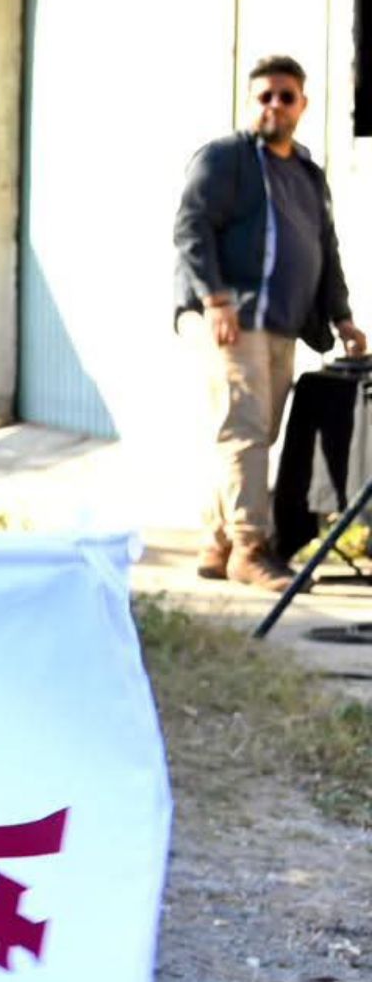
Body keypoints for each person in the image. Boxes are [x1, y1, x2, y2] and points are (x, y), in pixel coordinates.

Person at [173, 53, 366, 590]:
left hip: (281, 322)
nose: (275, 105)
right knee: (245, 430)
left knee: (253, 433)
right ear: (251, 102)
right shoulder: (225, 159)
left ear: (302, 104)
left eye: (286, 96)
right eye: (265, 96)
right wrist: (215, 300)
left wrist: (342, 316)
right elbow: (191, 228)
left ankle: (217, 543)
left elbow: (324, 249)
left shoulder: (306, 174)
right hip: (231, 319)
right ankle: (251, 548)